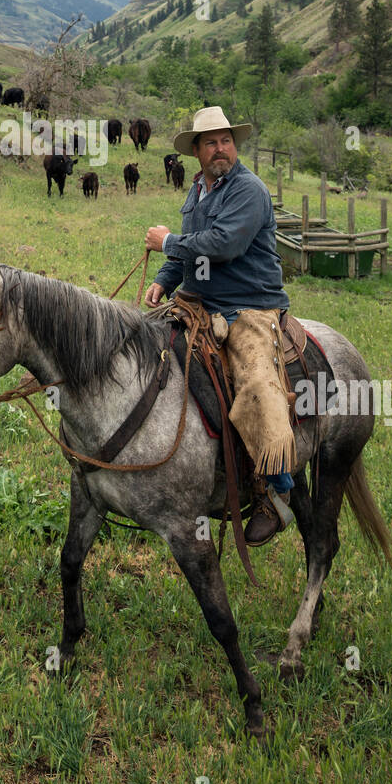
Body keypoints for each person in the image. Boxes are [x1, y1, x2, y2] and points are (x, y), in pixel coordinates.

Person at [143, 106, 296, 545]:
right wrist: (164, 278)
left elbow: (224, 245)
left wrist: (168, 240)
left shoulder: (249, 190)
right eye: (210, 142)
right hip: (199, 302)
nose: (220, 149)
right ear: (196, 151)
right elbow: (192, 252)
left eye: (226, 140)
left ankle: (277, 490)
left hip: (249, 307)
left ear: (235, 144)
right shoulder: (198, 190)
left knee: (256, 382)